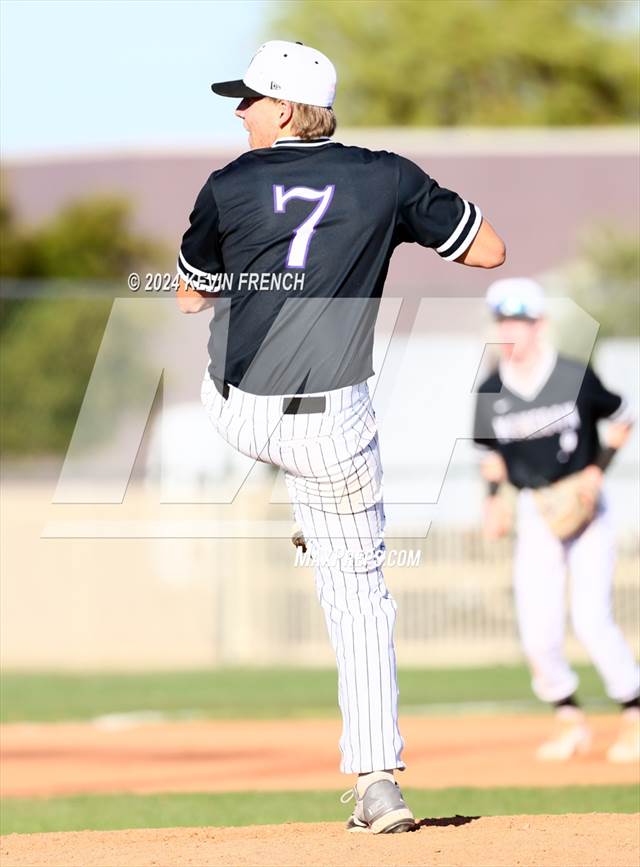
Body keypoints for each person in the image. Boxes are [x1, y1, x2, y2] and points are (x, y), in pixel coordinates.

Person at [176, 40, 505, 833]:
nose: (240, 111)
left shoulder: (228, 185)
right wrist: (389, 225)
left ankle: (312, 510)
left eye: (250, 99)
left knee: (221, 375)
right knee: (359, 597)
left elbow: (189, 297)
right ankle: (378, 782)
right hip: (334, 430)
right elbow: (489, 250)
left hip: (241, 412)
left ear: (285, 110)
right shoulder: (386, 176)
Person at [473, 278, 639, 763]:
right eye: (504, 322)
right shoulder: (491, 389)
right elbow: (490, 456)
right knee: (536, 628)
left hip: (584, 506)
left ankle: (633, 714)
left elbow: (624, 416)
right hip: (535, 509)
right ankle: (569, 719)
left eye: (520, 322)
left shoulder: (572, 375)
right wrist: (492, 501)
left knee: (591, 618)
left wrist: (596, 471)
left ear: (540, 325)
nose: (511, 331)